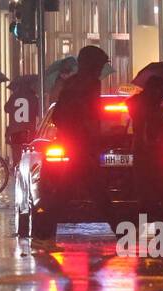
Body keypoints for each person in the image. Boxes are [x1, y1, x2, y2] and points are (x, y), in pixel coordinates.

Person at [53, 45, 117, 229]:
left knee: (68, 191)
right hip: (83, 144)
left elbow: (58, 115)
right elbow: (91, 115)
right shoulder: (91, 84)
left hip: (74, 142)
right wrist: (94, 139)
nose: (100, 70)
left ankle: (43, 233)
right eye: (99, 66)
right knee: (94, 191)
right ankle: (122, 232)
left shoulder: (72, 83)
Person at [127, 77, 163, 220]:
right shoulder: (151, 110)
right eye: (162, 90)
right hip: (153, 153)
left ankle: (145, 221)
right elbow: (159, 132)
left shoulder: (138, 104)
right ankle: (159, 224)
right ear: (156, 90)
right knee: (158, 190)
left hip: (140, 151)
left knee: (144, 190)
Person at [5, 83, 40, 167]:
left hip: (16, 129)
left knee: (17, 151)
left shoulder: (13, 97)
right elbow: (38, 112)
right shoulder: (33, 98)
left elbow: (6, 109)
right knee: (28, 150)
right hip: (29, 129)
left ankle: (17, 167)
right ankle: (27, 167)